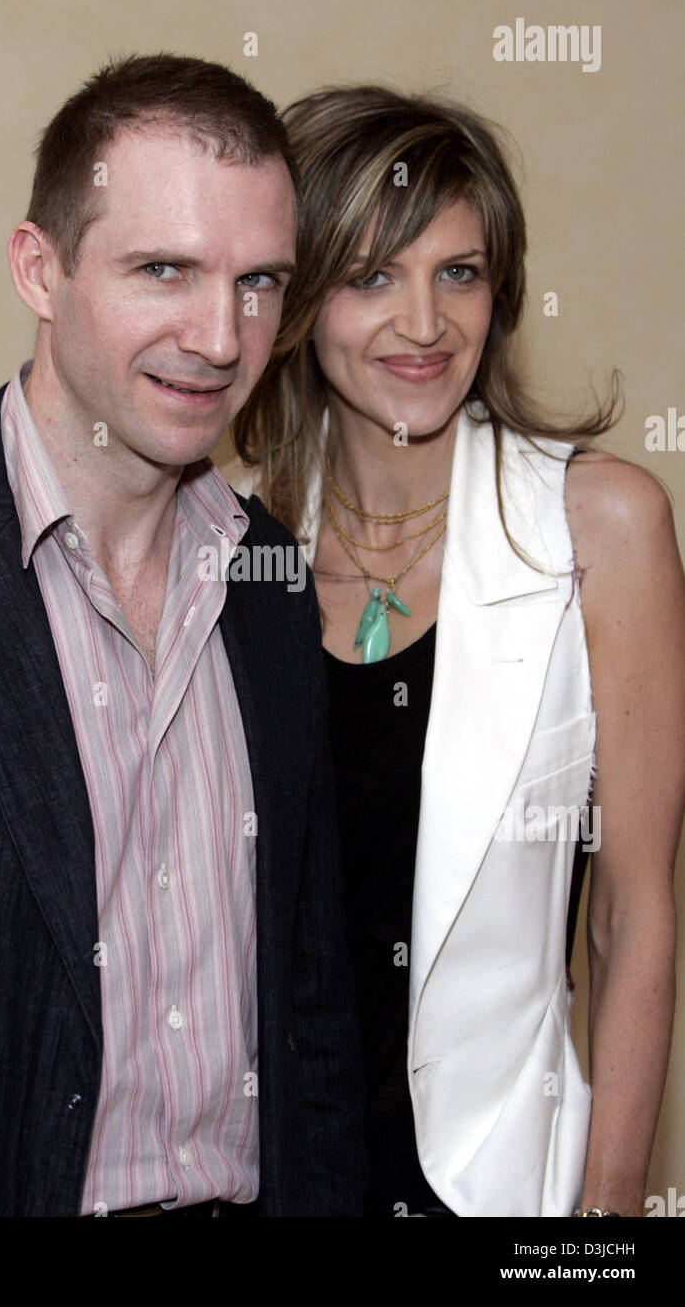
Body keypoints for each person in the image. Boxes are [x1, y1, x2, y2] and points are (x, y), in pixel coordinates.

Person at [0, 54, 366, 1217]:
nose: (221, 337)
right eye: (162, 268)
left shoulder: (269, 578)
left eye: (258, 281)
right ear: (40, 270)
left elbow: (312, 1008)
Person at [225, 85, 685, 1217]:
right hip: (269, 1169)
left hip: (496, 1180)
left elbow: (630, 910)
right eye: (370, 276)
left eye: (458, 273)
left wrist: (608, 1213)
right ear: (295, 301)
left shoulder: (597, 526)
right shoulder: (231, 549)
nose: (423, 324)